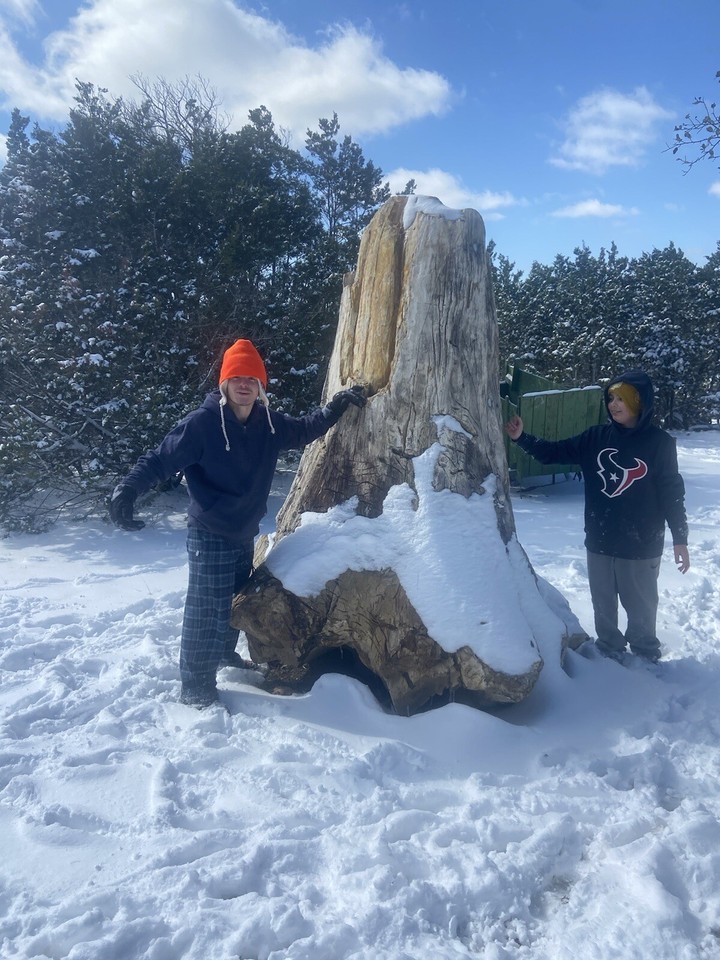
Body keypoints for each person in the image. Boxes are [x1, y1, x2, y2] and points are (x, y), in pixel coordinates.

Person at [109, 338, 366, 707]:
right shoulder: (201, 424)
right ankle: (195, 685)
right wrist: (128, 489)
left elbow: (304, 429)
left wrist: (334, 409)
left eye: (251, 379)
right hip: (209, 532)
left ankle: (222, 655)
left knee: (230, 604)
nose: (244, 385)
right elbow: (159, 459)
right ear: (224, 384)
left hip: (243, 533)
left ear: (260, 386)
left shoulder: (268, 423)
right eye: (236, 378)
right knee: (205, 611)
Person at [505, 369, 689, 664]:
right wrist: (521, 438)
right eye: (611, 398)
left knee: (641, 608)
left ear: (639, 401)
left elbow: (672, 493)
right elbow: (555, 452)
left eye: (622, 398)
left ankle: (646, 660)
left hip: (641, 543)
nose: (614, 404)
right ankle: (609, 654)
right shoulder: (596, 438)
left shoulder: (659, 443)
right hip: (601, 538)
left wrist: (680, 538)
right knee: (603, 606)